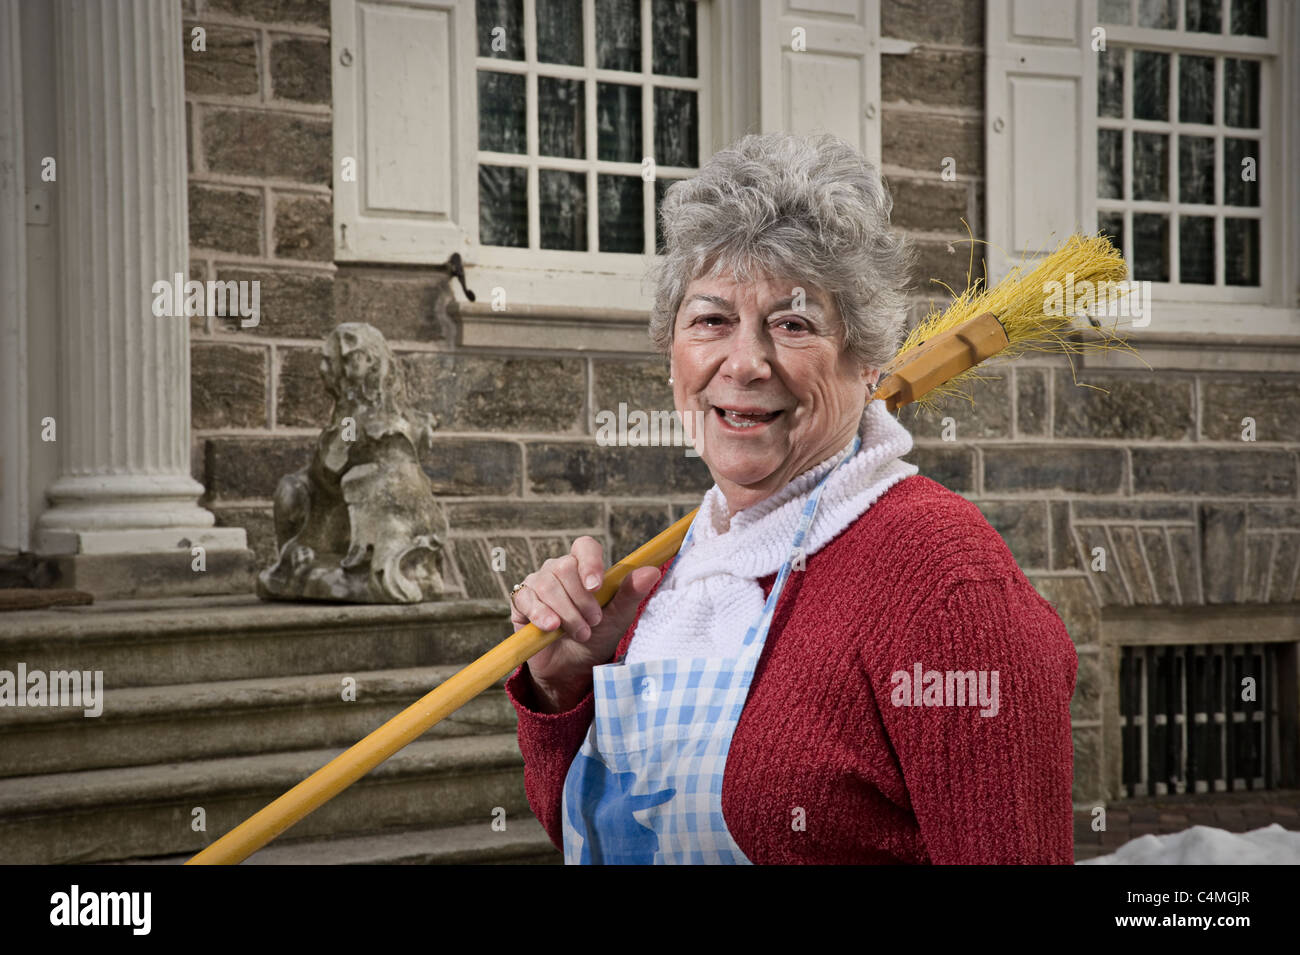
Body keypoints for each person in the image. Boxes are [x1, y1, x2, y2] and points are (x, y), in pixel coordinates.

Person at [504, 131, 1078, 864]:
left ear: (866, 360)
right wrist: (565, 685)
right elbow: (610, 838)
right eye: (711, 319)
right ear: (671, 347)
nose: (743, 363)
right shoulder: (677, 577)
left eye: (793, 324)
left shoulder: (948, 588)